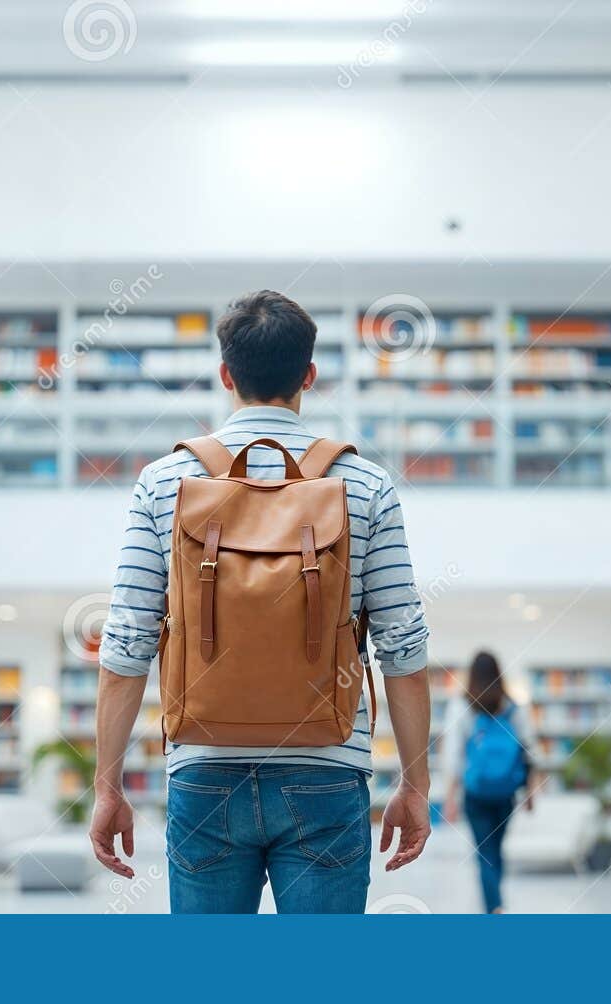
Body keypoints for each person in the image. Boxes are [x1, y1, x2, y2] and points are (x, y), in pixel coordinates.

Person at [88, 289, 434, 913]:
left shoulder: (164, 482)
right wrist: (416, 783)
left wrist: (107, 785)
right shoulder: (365, 484)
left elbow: (126, 645)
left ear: (226, 375)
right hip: (327, 769)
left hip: (203, 771)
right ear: (309, 376)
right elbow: (403, 649)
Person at [442, 651, 533, 914]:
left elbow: (454, 757)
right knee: (497, 849)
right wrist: (530, 793)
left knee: (484, 851)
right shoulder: (513, 707)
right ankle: (496, 903)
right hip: (506, 792)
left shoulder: (461, 706)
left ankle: (494, 907)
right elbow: (528, 751)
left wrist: (450, 798)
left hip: (476, 793)